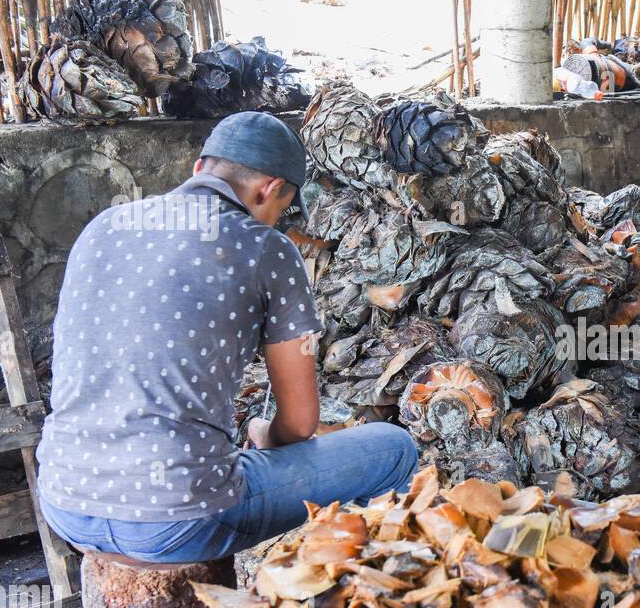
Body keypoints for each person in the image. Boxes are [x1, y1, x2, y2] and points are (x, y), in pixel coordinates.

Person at [35, 112, 418, 563]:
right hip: (177, 521)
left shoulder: (104, 226)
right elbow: (299, 424)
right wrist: (263, 432)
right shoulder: (267, 248)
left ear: (199, 169)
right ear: (270, 190)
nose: (276, 220)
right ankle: (349, 607)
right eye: (281, 208)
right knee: (393, 449)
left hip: (63, 501)